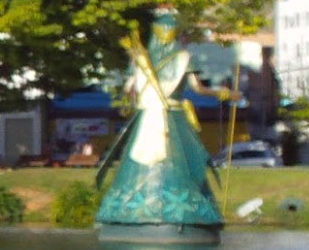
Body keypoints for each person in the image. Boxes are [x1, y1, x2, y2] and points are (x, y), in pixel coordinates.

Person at [94, 13, 223, 234]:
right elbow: (199, 88)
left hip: (149, 117)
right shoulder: (181, 58)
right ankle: (189, 215)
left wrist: (138, 101)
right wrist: (224, 94)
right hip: (172, 118)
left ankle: (125, 213)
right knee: (187, 163)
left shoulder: (143, 59)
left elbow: (129, 89)